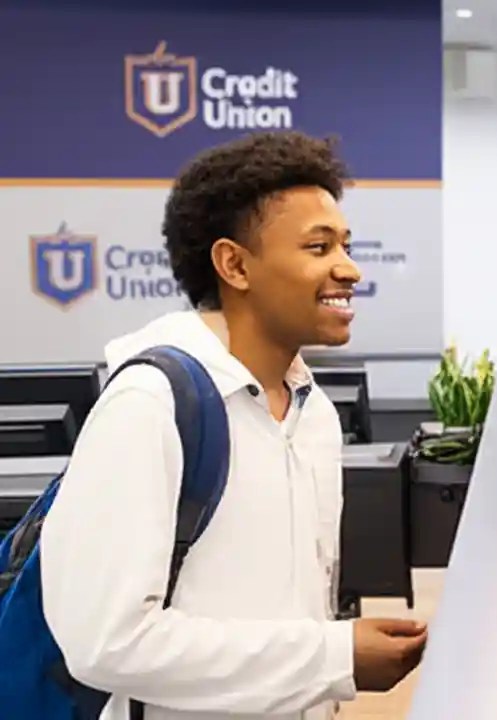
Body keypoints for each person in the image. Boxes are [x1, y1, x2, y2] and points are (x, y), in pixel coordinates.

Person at [40, 131, 428, 720]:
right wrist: (333, 657)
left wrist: (331, 661)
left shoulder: (314, 414)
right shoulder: (149, 405)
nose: (348, 269)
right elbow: (104, 642)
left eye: (345, 245)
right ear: (234, 265)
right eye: (318, 248)